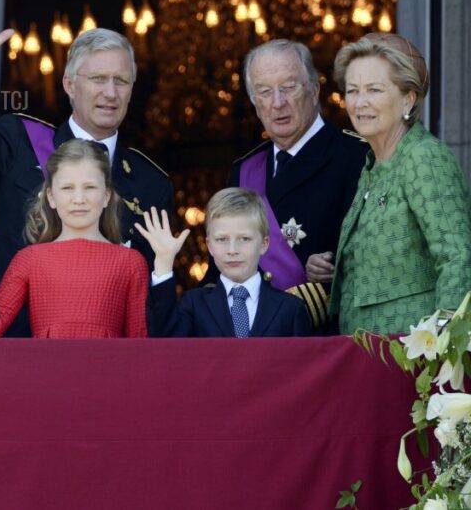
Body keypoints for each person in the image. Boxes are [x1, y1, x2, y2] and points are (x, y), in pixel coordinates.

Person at [0, 0, 174, 336]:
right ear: (69, 84)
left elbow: (149, 304)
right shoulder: (20, 142)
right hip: (15, 352)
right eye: (98, 79)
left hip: (106, 358)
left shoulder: (152, 183)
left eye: (121, 81)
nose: (110, 92)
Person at [330, 33, 471, 335]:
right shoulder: (373, 166)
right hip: (367, 350)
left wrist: (444, 347)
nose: (360, 102)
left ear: (408, 98)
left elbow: (458, 259)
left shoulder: (424, 157)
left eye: (374, 90)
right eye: (352, 91)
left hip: (414, 353)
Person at [228, 39, 368, 329]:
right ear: (255, 104)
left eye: (289, 87)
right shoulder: (244, 171)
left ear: (314, 90)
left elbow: (374, 258)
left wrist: (333, 269)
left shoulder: (356, 158)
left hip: (324, 336)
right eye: (264, 92)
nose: (278, 102)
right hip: (255, 337)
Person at [0, 139, 150, 338]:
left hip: (107, 361)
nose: (79, 199)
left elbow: (140, 342)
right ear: (51, 197)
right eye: (67, 188)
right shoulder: (30, 259)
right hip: (45, 360)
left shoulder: (131, 262)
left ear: (106, 196)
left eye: (89, 187)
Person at [142, 188, 311, 338]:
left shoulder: (291, 308)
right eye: (222, 239)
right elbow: (166, 344)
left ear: (263, 244)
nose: (232, 250)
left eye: (244, 239)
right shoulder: (194, 304)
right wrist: (164, 261)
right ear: (209, 245)